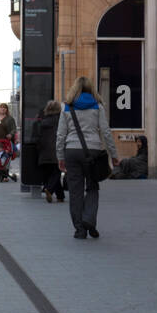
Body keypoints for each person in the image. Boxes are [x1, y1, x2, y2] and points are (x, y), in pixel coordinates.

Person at [56, 76, 119, 239]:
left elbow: (61, 134)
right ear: (91, 89)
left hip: (71, 151)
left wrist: (60, 156)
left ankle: (79, 229)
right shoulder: (97, 106)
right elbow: (105, 131)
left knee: (75, 192)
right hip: (93, 151)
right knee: (92, 186)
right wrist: (113, 155)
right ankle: (89, 219)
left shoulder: (66, 107)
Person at [35, 101, 65, 202]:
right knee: (56, 172)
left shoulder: (43, 121)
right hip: (56, 150)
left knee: (51, 173)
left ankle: (60, 196)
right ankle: (49, 189)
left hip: (44, 152)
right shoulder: (61, 120)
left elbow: (38, 137)